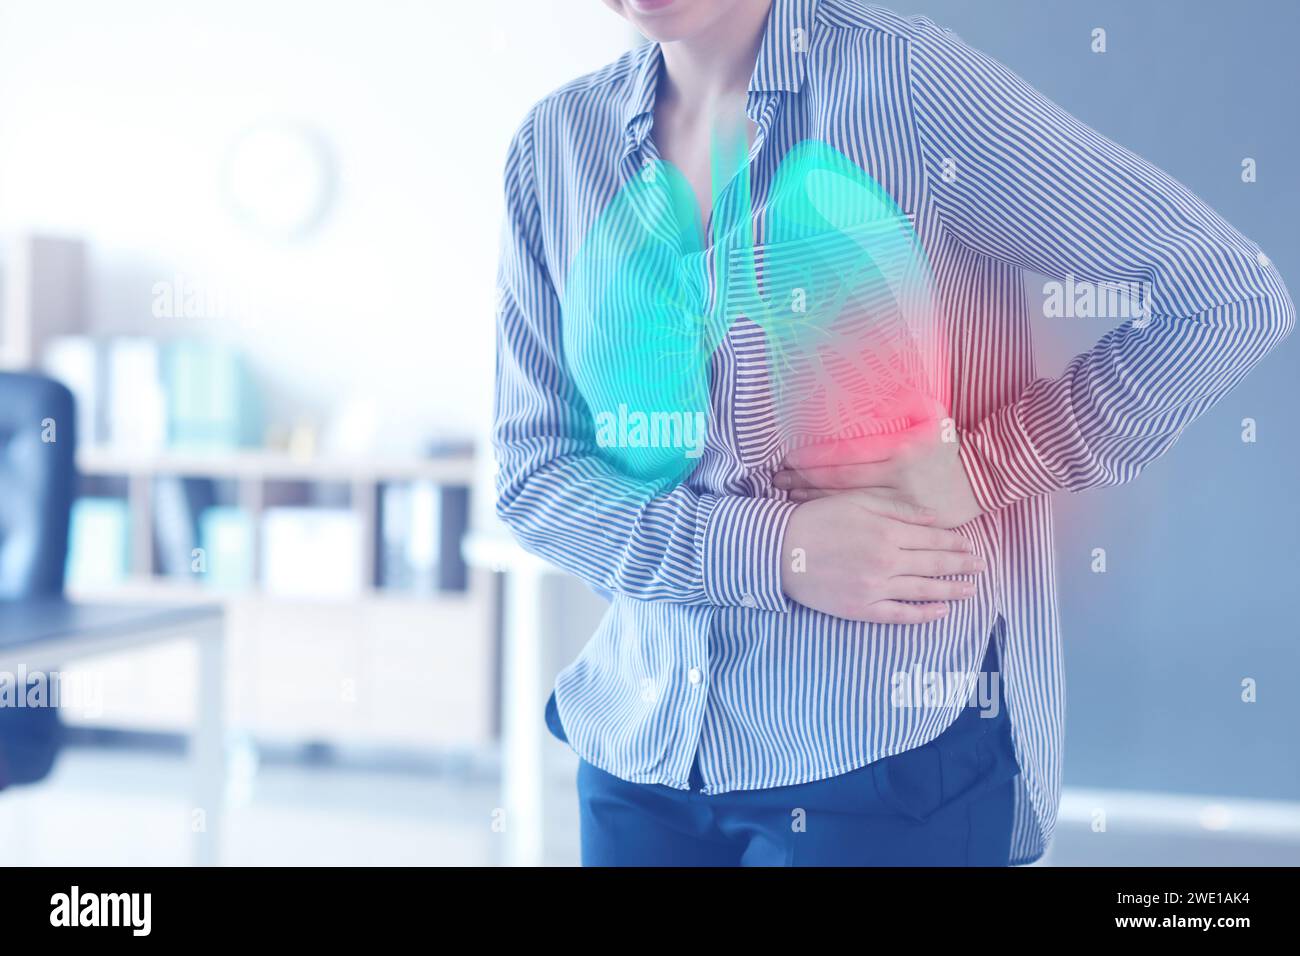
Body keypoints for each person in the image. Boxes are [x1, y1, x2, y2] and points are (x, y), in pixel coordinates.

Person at [492, 0, 1294, 866]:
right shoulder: (553, 149)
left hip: (882, 749)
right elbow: (536, 474)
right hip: (639, 751)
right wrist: (776, 551)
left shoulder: (908, 87)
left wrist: (987, 468)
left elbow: (1224, 296)